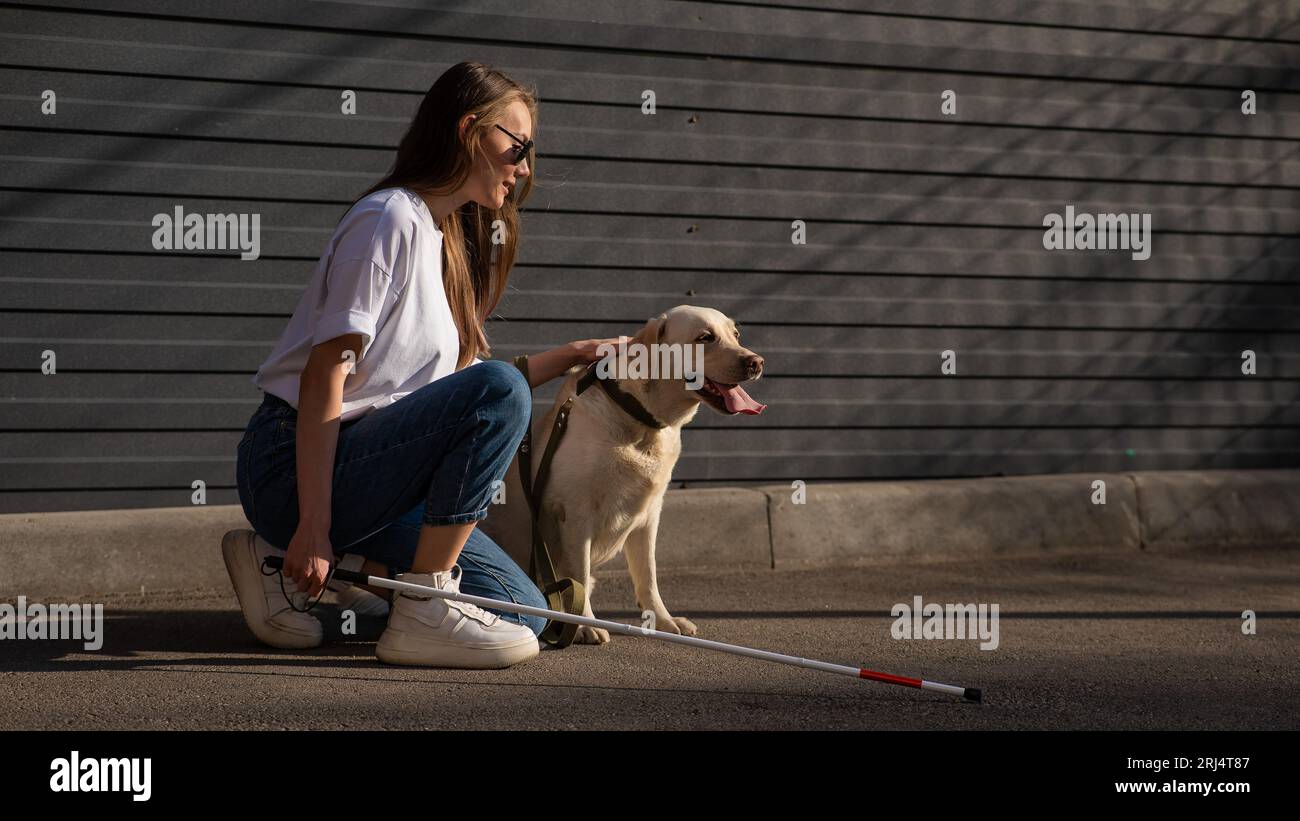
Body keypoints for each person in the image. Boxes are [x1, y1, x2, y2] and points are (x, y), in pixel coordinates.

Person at [224, 61, 624, 669]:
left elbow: (467, 396)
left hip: (378, 477)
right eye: (518, 146)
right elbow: (324, 373)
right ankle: (421, 603)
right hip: (292, 466)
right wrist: (312, 524)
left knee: (523, 613)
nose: (524, 168)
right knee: (500, 387)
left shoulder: (444, 242)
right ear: (469, 132)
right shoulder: (388, 218)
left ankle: (276, 563)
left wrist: (576, 356)